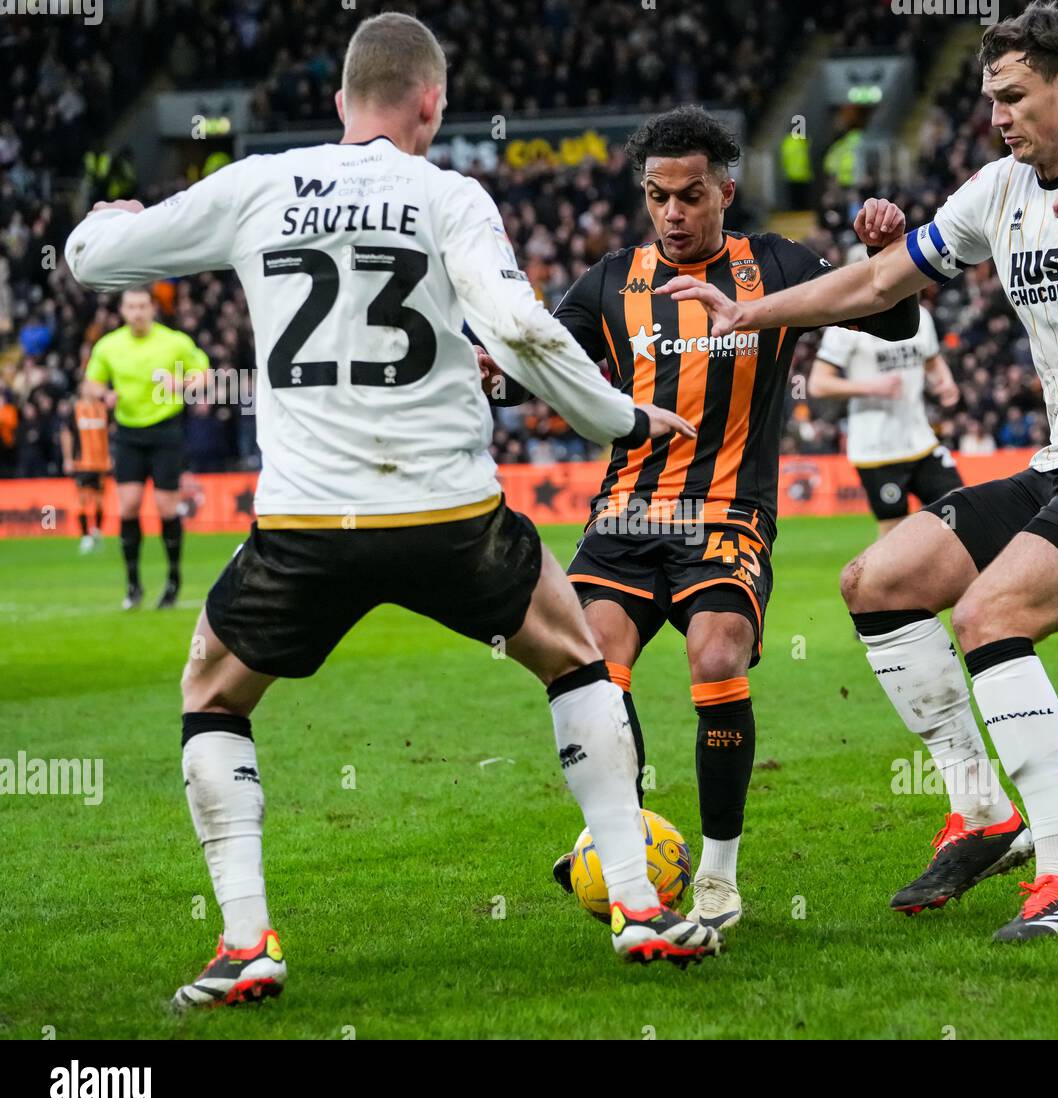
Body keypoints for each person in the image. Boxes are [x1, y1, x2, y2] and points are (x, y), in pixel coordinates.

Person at [64, 11, 720, 1009]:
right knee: (576, 653)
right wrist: (620, 418)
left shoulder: (257, 185)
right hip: (449, 514)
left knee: (212, 689)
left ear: (339, 102)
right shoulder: (449, 193)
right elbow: (519, 328)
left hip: (307, 525)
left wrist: (109, 218)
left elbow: (94, 260)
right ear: (431, 102)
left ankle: (246, 942)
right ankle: (637, 902)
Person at [660, 0, 1058, 941]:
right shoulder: (997, 192)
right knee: (878, 581)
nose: (997, 117)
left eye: (1013, 96)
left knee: (989, 614)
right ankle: (984, 812)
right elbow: (874, 283)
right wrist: (753, 314)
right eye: (988, 98)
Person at [530, 106, 918, 929]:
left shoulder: (774, 266)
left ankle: (716, 872)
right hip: (626, 517)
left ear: (726, 192)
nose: (673, 212)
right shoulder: (608, 282)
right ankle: (618, 837)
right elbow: (546, 364)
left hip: (728, 515)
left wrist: (884, 254)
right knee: (594, 662)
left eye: (691, 195)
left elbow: (895, 318)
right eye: (658, 195)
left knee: (715, 655)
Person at [82, 287, 208, 609]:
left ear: (152, 309)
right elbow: (91, 382)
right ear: (122, 310)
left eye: (142, 306)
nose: (137, 312)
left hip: (166, 430)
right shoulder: (109, 345)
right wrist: (103, 395)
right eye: (131, 306)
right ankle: (133, 585)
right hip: (128, 433)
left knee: (167, 508)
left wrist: (181, 385)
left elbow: (204, 375)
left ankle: (173, 581)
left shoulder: (175, 341)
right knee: (127, 506)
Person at [809, 299, 963, 540]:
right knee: (895, 537)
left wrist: (945, 381)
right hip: (876, 450)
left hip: (921, 440)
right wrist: (871, 387)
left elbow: (932, 360)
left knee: (958, 509)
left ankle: (948, 573)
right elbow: (818, 384)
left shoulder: (920, 316)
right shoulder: (848, 323)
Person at [59, 380, 111, 552]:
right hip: (82, 462)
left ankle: (96, 533)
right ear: (81, 389)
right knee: (81, 500)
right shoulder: (75, 410)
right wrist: (67, 458)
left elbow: (111, 433)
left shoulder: (103, 409)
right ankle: (85, 536)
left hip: (101, 462)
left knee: (99, 501)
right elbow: (66, 434)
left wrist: (111, 455)